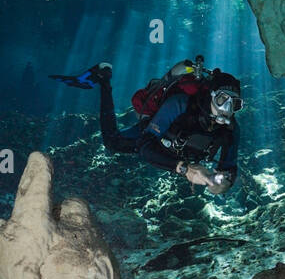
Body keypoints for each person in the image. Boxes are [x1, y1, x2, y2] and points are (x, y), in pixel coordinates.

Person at [69, 60, 240, 195]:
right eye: (222, 100)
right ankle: (104, 80)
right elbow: (145, 146)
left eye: (235, 104)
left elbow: (229, 168)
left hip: (177, 152)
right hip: (158, 133)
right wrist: (185, 169)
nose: (227, 109)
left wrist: (223, 182)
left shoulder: (231, 129)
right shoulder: (180, 104)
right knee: (112, 142)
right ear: (211, 96)